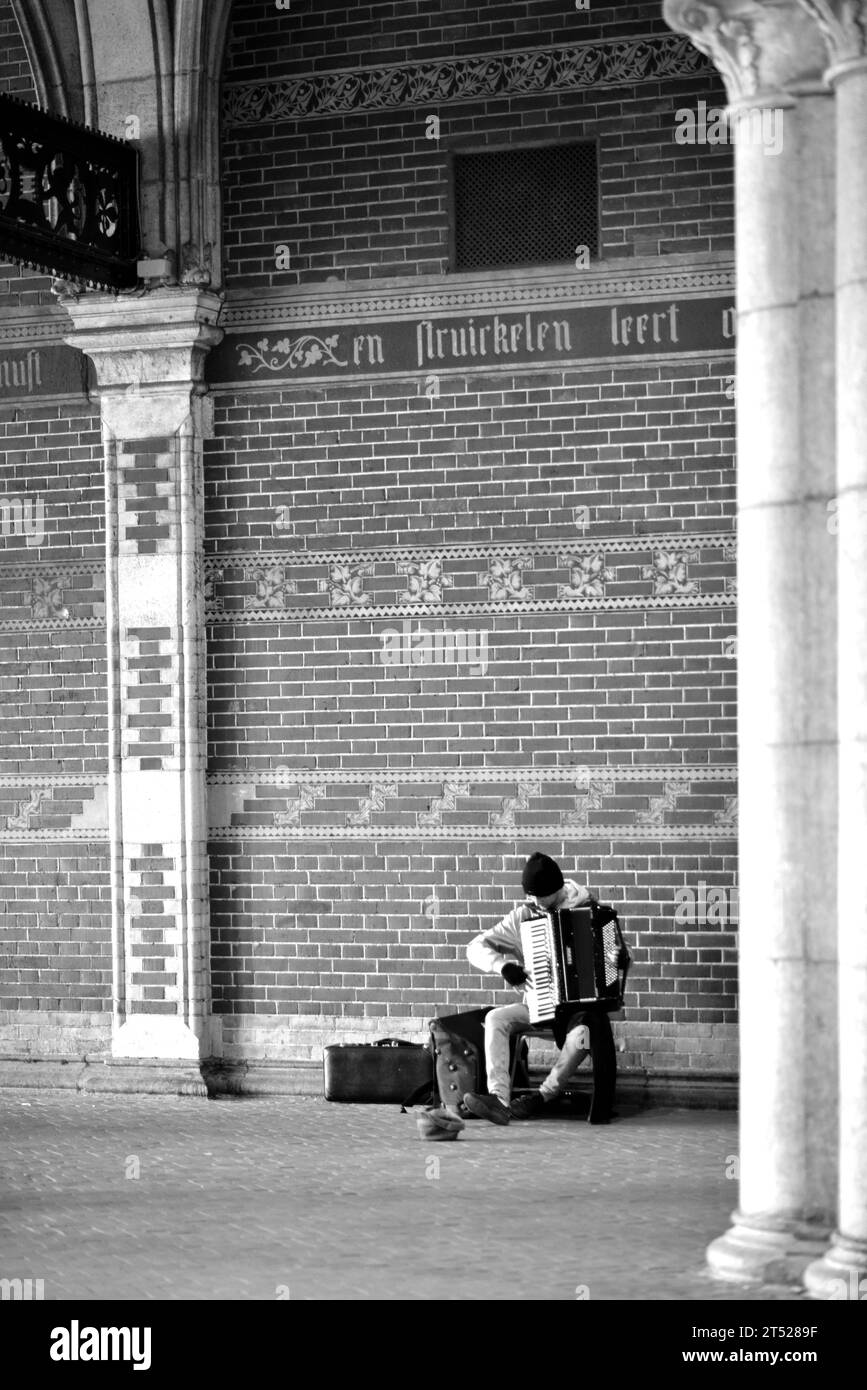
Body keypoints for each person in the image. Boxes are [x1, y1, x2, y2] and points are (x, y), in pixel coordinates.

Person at [463, 852, 596, 1123]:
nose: (534, 902)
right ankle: (499, 1099)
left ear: (557, 889)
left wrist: (617, 957)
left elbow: (620, 950)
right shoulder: (523, 916)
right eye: (530, 896)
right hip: (537, 1006)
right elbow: (474, 947)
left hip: (577, 1014)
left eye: (540, 896)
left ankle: (542, 1096)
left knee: (584, 1035)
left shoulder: (588, 908)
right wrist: (502, 966)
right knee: (495, 1018)